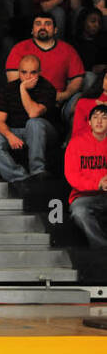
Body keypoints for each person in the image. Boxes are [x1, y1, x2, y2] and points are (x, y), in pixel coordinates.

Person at [5, 13, 85, 128]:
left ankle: (71, 137)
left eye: (47, 24)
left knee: (81, 99)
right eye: (38, 24)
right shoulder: (19, 49)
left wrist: (65, 94)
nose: (42, 27)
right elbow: (14, 82)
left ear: (55, 30)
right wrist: (45, 98)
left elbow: (77, 79)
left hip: (60, 102)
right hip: (29, 102)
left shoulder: (68, 50)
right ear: (32, 30)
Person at [0, 54, 58, 182]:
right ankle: (21, 178)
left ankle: (37, 171)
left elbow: (33, 113)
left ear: (40, 72)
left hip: (43, 131)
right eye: (24, 72)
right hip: (15, 130)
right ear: (18, 72)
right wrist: (9, 136)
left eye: (33, 72)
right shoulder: (7, 89)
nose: (28, 77)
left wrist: (23, 89)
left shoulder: (47, 87)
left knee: (34, 123)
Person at [65, 104, 107, 248]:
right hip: (84, 197)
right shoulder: (76, 144)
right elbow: (72, 176)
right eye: (95, 117)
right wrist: (98, 184)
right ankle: (102, 248)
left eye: (104, 118)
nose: (99, 121)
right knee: (79, 211)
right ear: (89, 122)